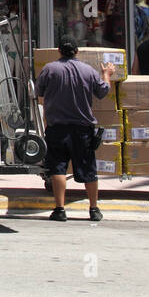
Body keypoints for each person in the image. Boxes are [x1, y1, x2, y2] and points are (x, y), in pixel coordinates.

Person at [36, 38, 114, 222]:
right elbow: (103, 91)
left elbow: (39, 91)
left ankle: (60, 209)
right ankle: (94, 209)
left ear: (59, 51)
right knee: (88, 170)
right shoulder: (88, 71)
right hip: (82, 130)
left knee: (58, 169)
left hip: (57, 129)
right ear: (77, 51)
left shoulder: (50, 69)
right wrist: (107, 74)